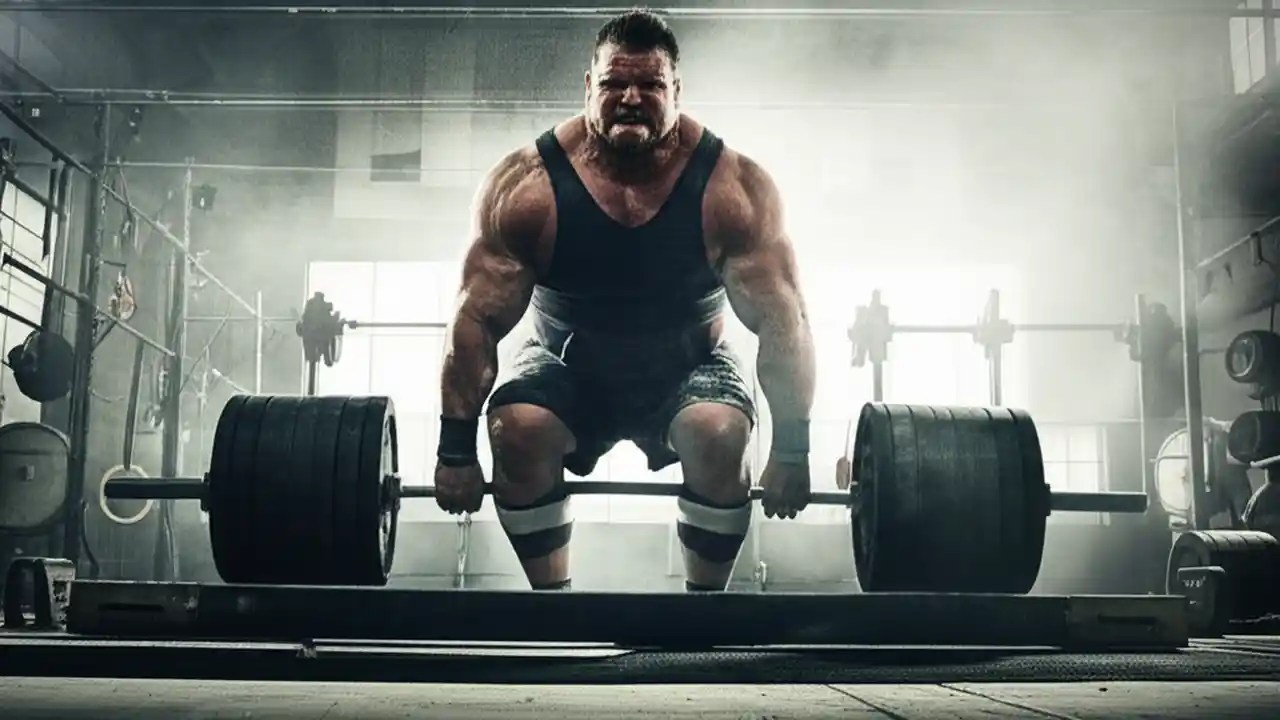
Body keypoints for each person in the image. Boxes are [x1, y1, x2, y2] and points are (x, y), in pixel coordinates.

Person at [433, 9, 815, 592]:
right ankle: (555, 608)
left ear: (676, 90)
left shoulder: (732, 190)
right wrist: (455, 450)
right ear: (589, 87)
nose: (631, 99)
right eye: (614, 84)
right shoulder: (527, 188)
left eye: (650, 86)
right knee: (518, 428)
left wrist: (792, 450)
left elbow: (785, 322)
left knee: (719, 432)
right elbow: (475, 320)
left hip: (692, 364)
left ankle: (701, 617)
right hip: (565, 364)